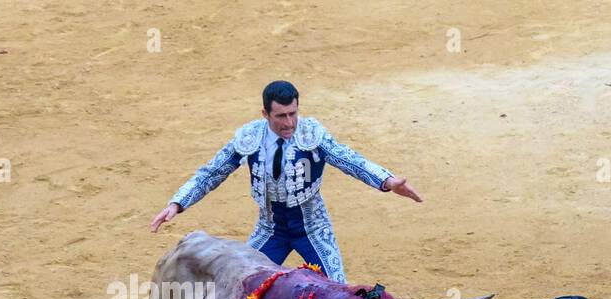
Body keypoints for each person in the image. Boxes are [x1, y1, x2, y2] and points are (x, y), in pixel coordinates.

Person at [150, 80, 422, 282]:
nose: (289, 123)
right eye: (281, 116)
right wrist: (177, 203)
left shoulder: (312, 134)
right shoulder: (250, 138)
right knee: (239, 287)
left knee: (338, 296)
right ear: (265, 114)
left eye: (293, 113)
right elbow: (212, 172)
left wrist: (386, 181)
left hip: (312, 228)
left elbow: (349, 159)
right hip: (271, 228)